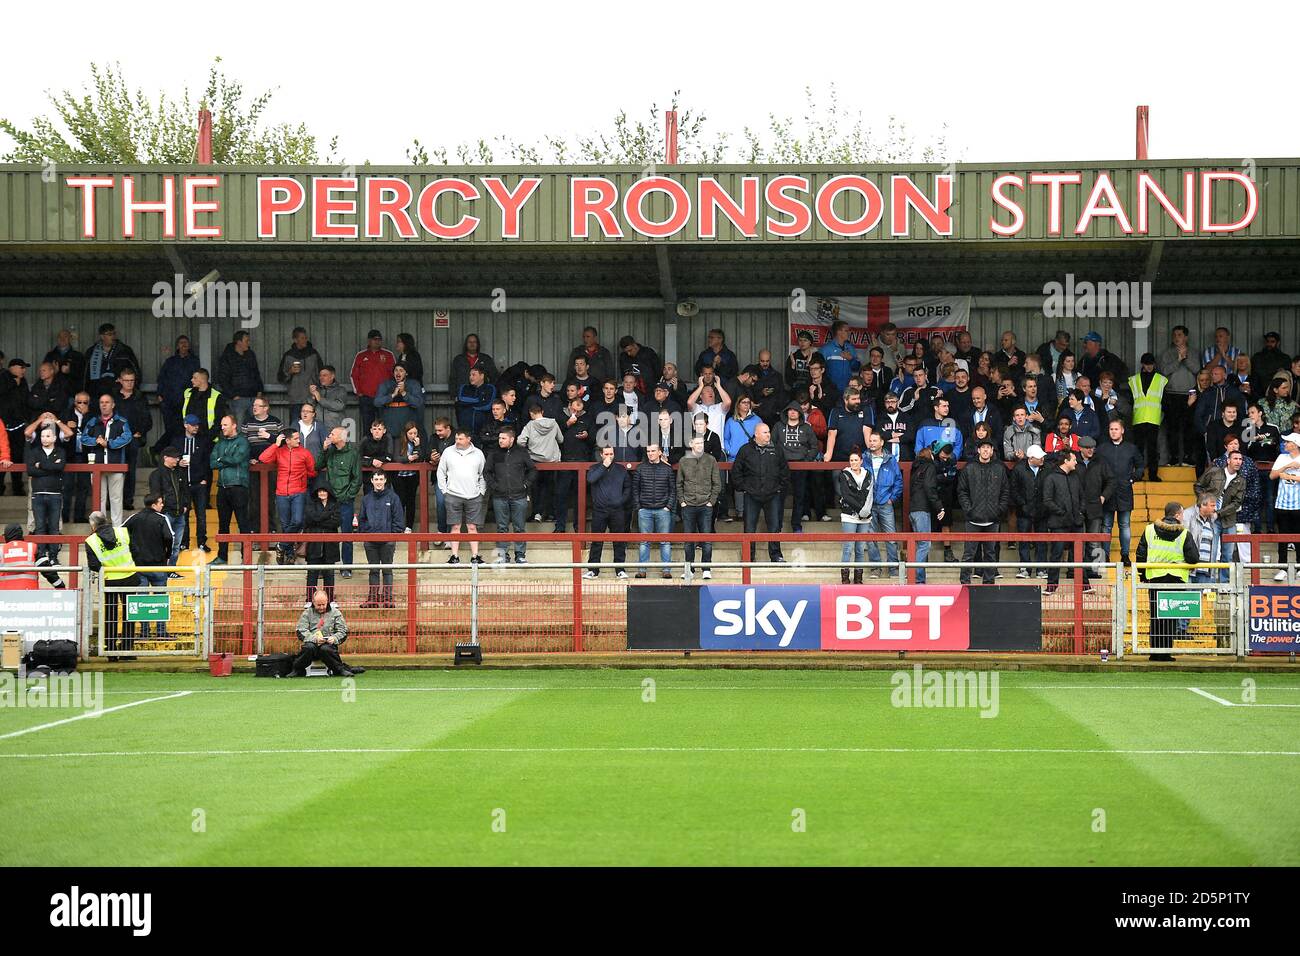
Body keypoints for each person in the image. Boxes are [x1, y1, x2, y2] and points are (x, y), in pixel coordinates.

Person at [1137, 502, 1201, 661]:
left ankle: (1155, 653)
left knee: (1156, 617)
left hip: (1155, 578)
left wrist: (1143, 575)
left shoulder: (1150, 530)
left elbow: (1140, 555)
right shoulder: (1184, 533)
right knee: (1170, 617)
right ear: (1178, 515)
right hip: (1176, 579)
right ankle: (1166, 652)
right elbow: (1193, 558)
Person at [731, 423, 790, 566]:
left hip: (772, 494)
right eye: (764, 432)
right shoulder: (745, 450)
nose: (768, 435)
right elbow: (736, 471)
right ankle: (748, 557)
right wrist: (743, 487)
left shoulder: (777, 450)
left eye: (768, 432)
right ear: (756, 434)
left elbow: (785, 471)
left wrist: (779, 488)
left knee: (775, 527)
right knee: (749, 528)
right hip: (751, 495)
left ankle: (776, 556)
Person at [258, 429, 318, 565]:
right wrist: (276, 444)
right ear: (288, 440)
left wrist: (302, 477)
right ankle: (289, 555)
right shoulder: (279, 451)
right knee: (285, 525)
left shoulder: (305, 453)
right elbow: (263, 458)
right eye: (296, 438)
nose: (299, 440)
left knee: (297, 521)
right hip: (281, 493)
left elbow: (312, 471)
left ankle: (282, 544)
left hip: (298, 491)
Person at [85, 511, 140, 655]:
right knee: (130, 615)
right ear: (106, 520)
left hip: (109, 581)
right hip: (130, 577)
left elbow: (93, 565)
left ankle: (110, 650)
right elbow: (136, 551)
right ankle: (127, 650)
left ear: (93, 524)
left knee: (110, 616)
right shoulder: (123, 532)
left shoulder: (91, 541)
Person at [957, 439, 1010, 585]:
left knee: (990, 553)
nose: (986, 450)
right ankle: (965, 583)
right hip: (973, 518)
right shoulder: (969, 468)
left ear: (992, 451)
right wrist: (969, 509)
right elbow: (962, 491)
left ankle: (988, 583)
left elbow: (1005, 492)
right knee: (969, 553)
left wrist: (999, 510)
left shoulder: (999, 469)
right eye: (983, 448)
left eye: (988, 448)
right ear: (978, 450)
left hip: (992, 519)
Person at [123, 495, 174, 639]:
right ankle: (161, 632)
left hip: (139, 566)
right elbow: (170, 538)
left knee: (142, 600)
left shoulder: (134, 518)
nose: (162, 505)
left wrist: (131, 551)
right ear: (153, 505)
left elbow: (121, 532)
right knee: (160, 600)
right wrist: (167, 555)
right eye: (160, 503)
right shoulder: (162, 519)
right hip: (158, 566)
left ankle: (144, 633)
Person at [1195, 448, 1249, 582]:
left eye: (1240, 459)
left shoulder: (1241, 480)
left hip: (1228, 520)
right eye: (1235, 459)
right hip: (1210, 519)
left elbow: (1237, 503)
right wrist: (1205, 503)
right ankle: (1209, 582)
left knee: (1228, 554)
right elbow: (1198, 486)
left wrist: (1218, 513)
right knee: (1211, 553)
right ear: (1228, 460)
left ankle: (1224, 583)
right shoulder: (1214, 472)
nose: (1238, 462)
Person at [78, 393, 132, 526]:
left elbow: (127, 437)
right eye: (102, 402)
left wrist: (108, 443)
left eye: (107, 402)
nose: (104, 405)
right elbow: (83, 438)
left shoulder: (122, 422)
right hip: (97, 466)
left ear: (113, 405)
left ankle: (116, 529)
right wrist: (97, 441)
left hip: (115, 466)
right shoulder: (93, 422)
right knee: (98, 499)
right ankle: (99, 529)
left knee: (116, 499)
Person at [486, 427, 535, 565]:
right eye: (499, 438)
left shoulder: (521, 452)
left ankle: (520, 555)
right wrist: (495, 486)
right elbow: (487, 472)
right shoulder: (494, 452)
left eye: (503, 438)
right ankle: (503, 556)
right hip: (499, 496)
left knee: (519, 527)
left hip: (519, 495)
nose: (500, 440)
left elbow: (532, 469)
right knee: (502, 527)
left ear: (512, 439)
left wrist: (525, 484)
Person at [316, 426, 362, 575]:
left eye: (332, 434)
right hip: (329, 500)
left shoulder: (353, 453)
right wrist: (323, 450)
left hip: (345, 501)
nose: (329, 436)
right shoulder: (329, 451)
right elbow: (317, 466)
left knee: (346, 534)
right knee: (327, 534)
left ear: (341, 437)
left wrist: (348, 495)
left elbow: (357, 478)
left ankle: (346, 567)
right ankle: (326, 568)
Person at [438, 428, 486, 566]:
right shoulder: (448, 452)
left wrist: (481, 491)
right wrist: (444, 490)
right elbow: (441, 472)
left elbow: (482, 474)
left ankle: (475, 556)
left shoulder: (478, 453)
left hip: (474, 495)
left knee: (472, 527)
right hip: (453, 494)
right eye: (456, 439)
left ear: (468, 439)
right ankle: (454, 556)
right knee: (455, 526)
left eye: (460, 439)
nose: (457, 441)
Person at [675, 434, 720, 581]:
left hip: (705, 505)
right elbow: (679, 483)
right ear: (691, 443)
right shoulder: (683, 460)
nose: (700, 445)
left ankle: (706, 568)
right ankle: (689, 569)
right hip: (688, 505)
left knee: (706, 538)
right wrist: (682, 500)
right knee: (689, 540)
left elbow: (717, 483)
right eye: (697, 443)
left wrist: (711, 501)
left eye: (702, 442)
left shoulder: (711, 460)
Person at [583, 445, 633, 579]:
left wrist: (621, 500)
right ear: (601, 455)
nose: (609, 456)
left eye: (611, 454)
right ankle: (593, 570)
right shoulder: (595, 468)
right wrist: (604, 466)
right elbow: (590, 479)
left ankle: (620, 570)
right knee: (597, 541)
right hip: (600, 510)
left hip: (617, 510)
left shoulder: (621, 469)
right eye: (606, 454)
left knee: (619, 540)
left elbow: (628, 487)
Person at [358, 470, 405, 608]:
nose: (378, 482)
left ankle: (388, 599)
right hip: (370, 541)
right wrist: (367, 532)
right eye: (376, 479)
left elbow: (398, 520)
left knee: (387, 570)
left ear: (385, 481)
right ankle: (372, 600)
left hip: (388, 541)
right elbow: (362, 519)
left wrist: (391, 535)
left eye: (381, 479)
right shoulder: (366, 499)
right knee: (373, 570)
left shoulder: (393, 498)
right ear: (372, 481)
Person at [210, 415, 250, 566]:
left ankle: (246, 558)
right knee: (223, 525)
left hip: (239, 486)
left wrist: (222, 459)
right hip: (223, 487)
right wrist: (224, 459)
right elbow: (212, 463)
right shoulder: (220, 443)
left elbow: (237, 459)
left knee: (243, 523)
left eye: (225, 424)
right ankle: (222, 557)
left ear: (234, 426)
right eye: (221, 425)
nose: (222, 427)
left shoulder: (242, 441)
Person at [1158, 325, 1202, 466]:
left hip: (1190, 395)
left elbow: (1197, 370)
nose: (1177, 338)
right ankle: (1174, 457)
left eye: (1180, 335)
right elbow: (1163, 371)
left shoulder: (1194, 352)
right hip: (1172, 394)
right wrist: (1177, 359)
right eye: (1175, 335)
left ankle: (1188, 457)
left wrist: (1185, 358)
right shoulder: (1167, 353)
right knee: (1172, 428)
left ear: (1186, 337)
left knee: (1189, 427)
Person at [292, 590, 362, 677]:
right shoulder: (307, 613)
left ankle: (339, 670)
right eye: (318, 605)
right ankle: (298, 670)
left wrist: (334, 638)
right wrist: (314, 639)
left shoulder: (336, 612)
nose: (321, 607)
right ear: (313, 602)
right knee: (308, 647)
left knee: (326, 649)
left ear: (327, 601)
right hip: (312, 644)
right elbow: (301, 630)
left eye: (323, 604)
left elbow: (343, 630)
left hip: (329, 645)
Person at [1041, 450, 1084, 594]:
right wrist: (1062, 512)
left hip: (1076, 522)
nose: (1076, 462)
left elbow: (1081, 496)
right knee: (1056, 554)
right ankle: (1051, 586)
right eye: (1073, 459)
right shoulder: (1051, 478)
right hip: (1058, 523)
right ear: (1065, 461)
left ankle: (1084, 585)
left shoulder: (1075, 477)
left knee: (1078, 555)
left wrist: (1080, 512)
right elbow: (1047, 501)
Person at [632, 443, 676, 578]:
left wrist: (668, 507)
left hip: (663, 510)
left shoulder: (667, 469)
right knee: (644, 541)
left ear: (660, 452)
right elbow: (635, 490)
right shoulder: (640, 468)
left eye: (653, 451)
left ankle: (667, 570)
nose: (650, 453)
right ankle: (642, 570)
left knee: (665, 541)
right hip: (644, 510)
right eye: (648, 451)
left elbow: (673, 490)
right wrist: (639, 507)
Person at [25, 423, 65, 569]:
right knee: (40, 526)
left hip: (55, 494)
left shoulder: (60, 451)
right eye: (42, 436)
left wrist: (40, 465)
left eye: (48, 436)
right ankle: (41, 557)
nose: (44, 439)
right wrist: (50, 467)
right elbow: (30, 471)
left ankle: (54, 558)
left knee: (54, 527)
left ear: (54, 438)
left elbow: (60, 467)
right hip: (38, 494)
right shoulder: (34, 451)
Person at [241, 395, 282, 533]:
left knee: (270, 498)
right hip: (253, 466)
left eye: (258, 405)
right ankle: (254, 529)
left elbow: (282, 443)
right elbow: (243, 444)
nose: (254, 408)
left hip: (271, 467)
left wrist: (269, 437)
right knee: (254, 498)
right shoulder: (247, 423)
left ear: (266, 408)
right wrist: (248, 458)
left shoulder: (275, 422)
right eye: (254, 405)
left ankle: (271, 529)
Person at [153, 335, 200, 455]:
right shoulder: (170, 362)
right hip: (169, 402)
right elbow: (162, 379)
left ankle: (159, 451)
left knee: (180, 430)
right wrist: (160, 395)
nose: (184, 345)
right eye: (181, 343)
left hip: (186, 403)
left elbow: (198, 380)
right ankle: (162, 452)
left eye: (186, 342)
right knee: (171, 430)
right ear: (177, 346)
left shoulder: (194, 361)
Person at [1076, 436, 1114, 585]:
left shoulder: (1100, 462)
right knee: (1078, 541)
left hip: (1095, 507)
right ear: (1080, 448)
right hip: (1077, 508)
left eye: (1092, 447)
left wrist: (1104, 496)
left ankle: (1093, 571)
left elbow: (1111, 481)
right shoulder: (1074, 461)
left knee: (1093, 542)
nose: (1091, 450)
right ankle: (1076, 571)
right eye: (1087, 447)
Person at [776, 402, 818, 534]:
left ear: (800, 413)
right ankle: (777, 525)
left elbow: (814, 446)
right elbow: (771, 443)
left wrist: (806, 460)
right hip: (783, 466)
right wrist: (777, 460)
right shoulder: (778, 426)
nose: (793, 412)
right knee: (779, 496)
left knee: (799, 496)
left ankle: (796, 525)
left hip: (800, 465)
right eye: (790, 410)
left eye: (795, 410)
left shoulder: (806, 428)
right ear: (786, 412)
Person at [863, 431, 902, 573]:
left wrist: (892, 499)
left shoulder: (890, 460)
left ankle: (894, 568)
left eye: (875, 440)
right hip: (868, 504)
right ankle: (875, 568)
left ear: (881, 443)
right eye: (870, 440)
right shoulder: (863, 458)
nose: (872, 443)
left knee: (891, 537)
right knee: (870, 538)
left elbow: (898, 481)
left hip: (886, 503)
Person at [554, 397, 593, 534]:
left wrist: (587, 435)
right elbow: (555, 436)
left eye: (579, 410)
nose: (576, 412)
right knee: (561, 495)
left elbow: (594, 439)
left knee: (580, 496)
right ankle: (559, 527)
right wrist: (568, 424)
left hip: (581, 462)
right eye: (574, 409)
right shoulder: (560, 416)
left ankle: (579, 527)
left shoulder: (587, 418)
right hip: (564, 461)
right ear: (569, 406)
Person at [148, 447, 190, 566]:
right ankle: (162, 569)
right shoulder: (156, 474)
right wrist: (163, 509)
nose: (177, 459)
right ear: (165, 458)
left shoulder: (179, 472)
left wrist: (186, 506)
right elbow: (155, 494)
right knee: (162, 543)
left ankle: (171, 569)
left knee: (176, 544)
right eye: (174, 457)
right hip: (166, 514)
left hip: (179, 514)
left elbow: (185, 491)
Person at [836, 449, 874, 584]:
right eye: (851, 460)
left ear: (861, 461)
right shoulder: (844, 474)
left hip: (865, 516)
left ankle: (858, 578)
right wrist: (860, 510)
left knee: (860, 548)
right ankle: (845, 578)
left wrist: (865, 511)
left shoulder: (868, 474)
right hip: (849, 515)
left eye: (856, 460)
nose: (853, 463)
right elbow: (846, 495)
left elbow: (868, 493)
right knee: (848, 547)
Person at [1011, 444, 1048, 578]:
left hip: (1042, 511)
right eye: (1039, 457)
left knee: (1042, 540)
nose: (1042, 459)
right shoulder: (1018, 469)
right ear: (1031, 458)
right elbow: (1014, 490)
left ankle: (1041, 569)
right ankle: (1024, 568)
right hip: (1024, 512)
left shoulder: (1046, 468)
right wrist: (1023, 505)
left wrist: (1045, 505)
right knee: (1024, 540)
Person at [908, 445, 944, 583]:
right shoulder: (929, 467)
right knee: (925, 545)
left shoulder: (915, 468)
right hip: (922, 510)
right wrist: (939, 507)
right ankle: (915, 577)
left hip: (913, 509)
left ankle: (919, 578)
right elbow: (930, 488)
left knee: (920, 545)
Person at [350, 329, 396, 431]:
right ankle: (367, 447)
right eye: (375, 339)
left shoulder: (388, 355)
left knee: (384, 425)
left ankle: (384, 446)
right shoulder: (361, 355)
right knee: (367, 427)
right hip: (367, 397)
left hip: (384, 397)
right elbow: (353, 375)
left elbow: (396, 374)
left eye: (379, 339)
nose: (377, 341)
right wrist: (359, 392)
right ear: (369, 341)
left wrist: (392, 393)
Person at [178, 415, 212, 554]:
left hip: (199, 483)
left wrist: (204, 479)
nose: (196, 427)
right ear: (186, 425)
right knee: (184, 514)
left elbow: (207, 462)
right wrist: (179, 462)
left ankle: (202, 542)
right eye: (193, 424)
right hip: (183, 484)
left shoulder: (203, 441)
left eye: (197, 424)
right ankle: (184, 543)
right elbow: (170, 457)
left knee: (201, 515)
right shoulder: (178, 441)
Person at [215, 331, 263, 426]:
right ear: (238, 342)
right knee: (238, 426)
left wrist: (259, 390)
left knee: (255, 426)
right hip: (238, 399)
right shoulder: (227, 357)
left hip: (252, 397)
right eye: (246, 341)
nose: (248, 343)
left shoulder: (250, 355)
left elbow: (256, 373)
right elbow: (222, 378)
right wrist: (233, 395)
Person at [1269, 432, 1300, 580]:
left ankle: (1299, 567)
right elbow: (1272, 475)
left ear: (1295, 444)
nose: (1285, 444)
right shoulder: (1282, 457)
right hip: (1282, 503)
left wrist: (1287, 476)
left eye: (1288, 442)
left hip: (1298, 504)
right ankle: (1283, 568)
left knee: (1298, 536)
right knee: (1282, 537)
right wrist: (1288, 466)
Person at [82, 323, 140, 400]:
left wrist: (132, 391)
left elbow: (135, 371)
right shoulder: (91, 352)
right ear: (102, 336)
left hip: (119, 393)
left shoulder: (124, 350)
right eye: (109, 334)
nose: (113, 337)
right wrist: (85, 392)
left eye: (114, 334)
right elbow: (85, 375)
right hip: (97, 394)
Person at [0, 523, 65, 590]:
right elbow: (47, 570)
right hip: (29, 594)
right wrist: (60, 586)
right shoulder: (32, 547)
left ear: (6, 536)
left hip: (5, 595)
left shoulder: (1, 550)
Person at [61, 391, 93, 524]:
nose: (82, 405)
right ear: (74, 403)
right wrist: (67, 430)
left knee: (84, 487)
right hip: (70, 455)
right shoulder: (66, 414)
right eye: (79, 402)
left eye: (85, 402)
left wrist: (85, 419)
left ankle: (79, 516)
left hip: (85, 456)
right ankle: (65, 516)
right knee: (67, 487)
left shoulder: (92, 417)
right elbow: (59, 436)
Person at [0, 359, 31, 496]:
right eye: (21, 367)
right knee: (2, 456)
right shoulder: (3, 377)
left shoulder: (23, 382)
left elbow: (26, 401)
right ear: (12, 367)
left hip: (18, 425)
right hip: (2, 426)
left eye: (25, 368)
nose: (23, 370)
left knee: (17, 457)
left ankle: (17, 487)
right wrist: (13, 383)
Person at [277, 326, 323, 410]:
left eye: (306, 337)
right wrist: (290, 372)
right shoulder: (288, 355)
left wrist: (319, 392)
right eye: (302, 338)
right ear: (295, 340)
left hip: (311, 398)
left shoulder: (314, 354)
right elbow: (280, 377)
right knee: (295, 423)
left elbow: (321, 374)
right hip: (295, 399)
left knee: (312, 423)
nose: (305, 340)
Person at [376, 363, 425, 439]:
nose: (398, 373)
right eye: (396, 370)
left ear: (406, 373)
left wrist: (404, 393)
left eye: (401, 371)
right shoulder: (386, 384)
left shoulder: (414, 384)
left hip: (407, 422)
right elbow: (377, 402)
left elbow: (418, 402)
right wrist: (392, 395)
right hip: (390, 422)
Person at [1181, 494, 1221, 586]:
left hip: (1205, 568)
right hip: (1189, 567)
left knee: (1202, 599)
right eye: (1212, 505)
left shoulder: (1213, 520)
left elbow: (1215, 543)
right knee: (1189, 599)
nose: (1215, 509)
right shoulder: (1188, 515)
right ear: (1203, 505)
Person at [182, 368, 226, 442]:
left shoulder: (216, 396)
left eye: (195, 378)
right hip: (189, 436)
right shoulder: (188, 393)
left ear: (203, 379)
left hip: (208, 439)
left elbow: (219, 419)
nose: (191, 380)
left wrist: (209, 436)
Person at [449, 333, 498, 400]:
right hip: (462, 396)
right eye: (469, 342)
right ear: (466, 344)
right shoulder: (458, 360)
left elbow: (494, 377)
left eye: (474, 342)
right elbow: (453, 379)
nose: (472, 344)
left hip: (481, 396)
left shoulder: (486, 359)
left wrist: (489, 393)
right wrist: (454, 395)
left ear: (478, 344)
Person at [44, 329, 87, 398]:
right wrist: (53, 372)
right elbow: (43, 373)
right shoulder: (50, 355)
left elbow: (83, 375)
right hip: (53, 393)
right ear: (57, 339)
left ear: (70, 339)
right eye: (60, 337)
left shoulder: (78, 356)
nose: (62, 339)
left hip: (71, 394)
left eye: (65, 336)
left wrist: (70, 371)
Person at [455, 365, 496, 437]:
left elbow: (487, 406)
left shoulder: (490, 388)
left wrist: (468, 404)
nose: (471, 377)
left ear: (482, 376)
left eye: (474, 375)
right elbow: (460, 400)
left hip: (483, 430)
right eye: (470, 375)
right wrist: (478, 400)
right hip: (465, 430)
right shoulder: (464, 387)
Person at [310, 365, 348, 432]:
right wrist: (312, 397)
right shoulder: (317, 390)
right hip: (318, 429)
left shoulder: (340, 390)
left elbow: (339, 406)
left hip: (335, 429)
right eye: (320, 375)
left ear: (332, 376)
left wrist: (320, 399)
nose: (321, 378)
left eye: (324, 375)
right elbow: (309, 408)